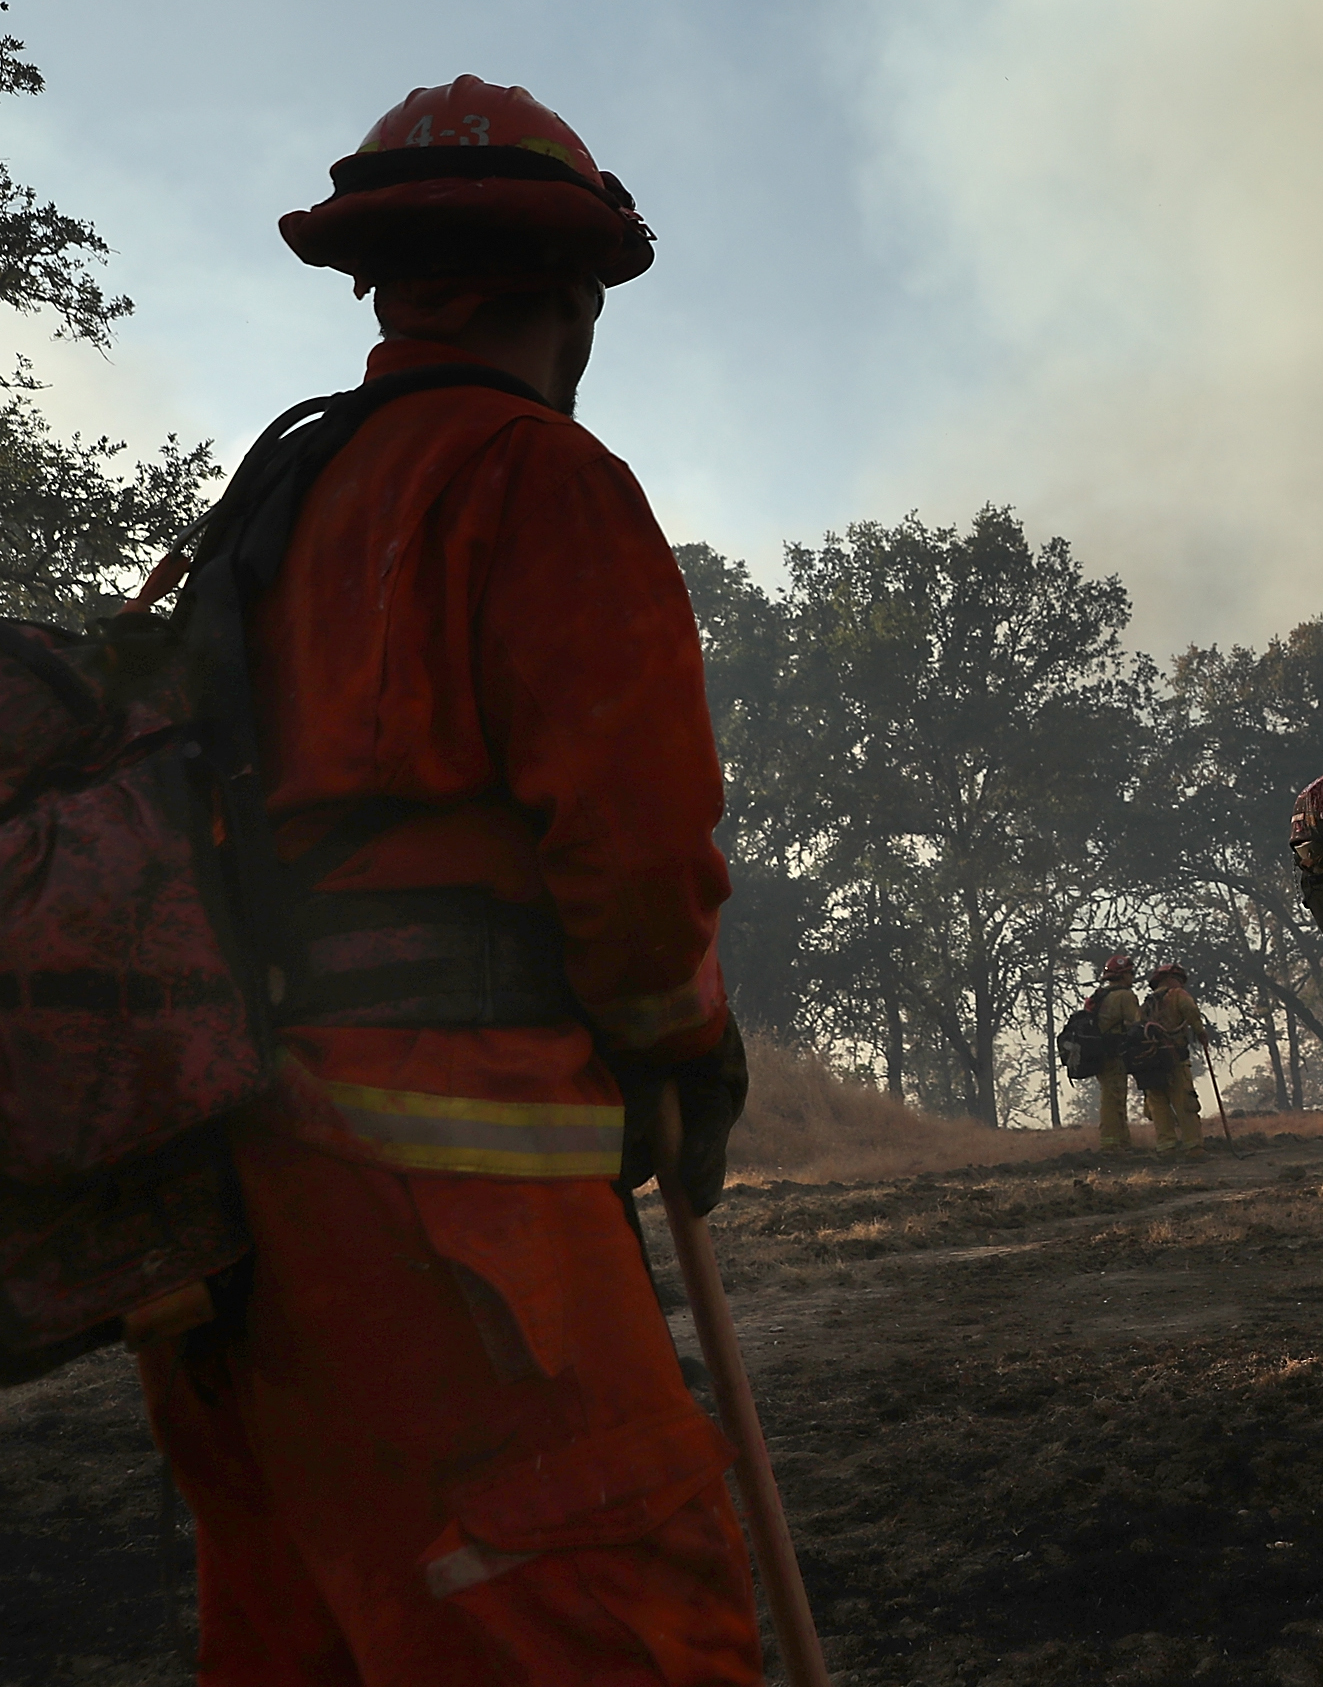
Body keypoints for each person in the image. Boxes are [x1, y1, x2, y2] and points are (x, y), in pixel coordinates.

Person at [138, 77, 762, 1679]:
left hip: (239, 1210)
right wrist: (681, 1046)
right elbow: (633, 847)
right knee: (607, 1604)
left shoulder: (270, 505)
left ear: (388, 281)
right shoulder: (536, 473)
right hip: (457, 1213)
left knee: (321, 1630)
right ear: (571, 290)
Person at [1139, 963, 1209, 1156]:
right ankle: (1193, 1146)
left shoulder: (1146, 1004)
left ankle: (1166, 1148)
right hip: (1175, 1058)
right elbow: (1191, 1012)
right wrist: (1200, 1032)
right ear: (1172, 979)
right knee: (1185, 1101)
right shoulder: (1178, 995)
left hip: (1151, 1063)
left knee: (1158, 1105)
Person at [1088, 955, 1144, 1154]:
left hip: (1101, 1053)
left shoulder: (1101, 995)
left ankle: (1122, 1142)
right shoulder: (1125, 995)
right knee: (1114, 1098)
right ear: (1123, 975)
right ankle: (1111, 1144)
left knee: (1114, 1096)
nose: (1133, 977)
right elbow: (1137, 1024)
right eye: (1131, 973)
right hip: (1114, 1053)